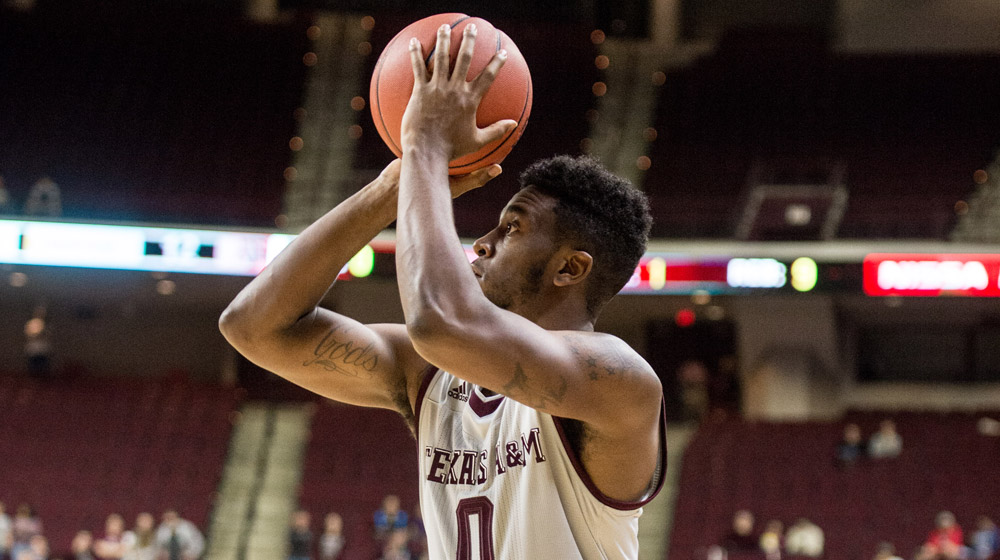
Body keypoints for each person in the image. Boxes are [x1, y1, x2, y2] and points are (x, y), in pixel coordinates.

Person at [219, 22, 664, 560]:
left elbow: (440, 322)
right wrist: (392, 185)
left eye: (513, 228)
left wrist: (427, 143)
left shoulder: (618, 380)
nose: (482, 243)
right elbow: (251, 326)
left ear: (569, 268)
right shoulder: (431, 375)